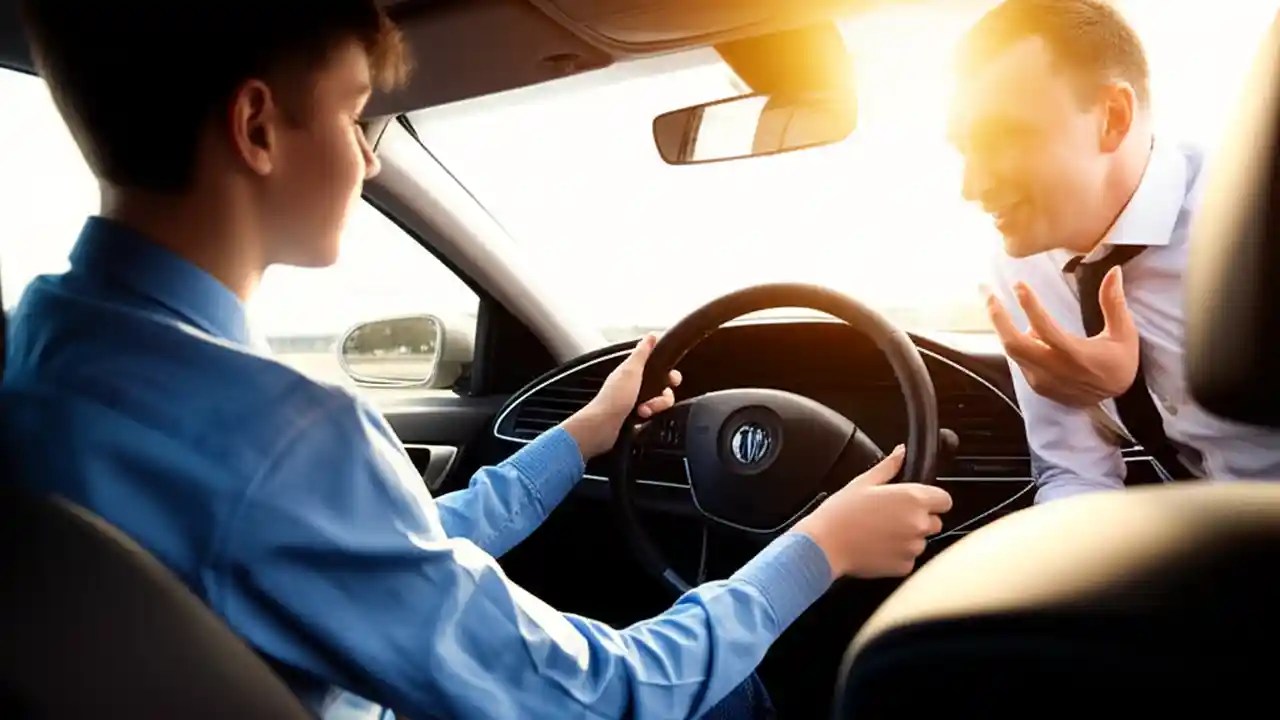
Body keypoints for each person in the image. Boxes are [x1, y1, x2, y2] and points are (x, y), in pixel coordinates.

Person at [0, 2, 953, 718]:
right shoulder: (279, 436)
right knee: (735, 697)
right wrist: (819, 551)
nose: (369, 159)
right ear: (257, 129)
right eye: (355, 115)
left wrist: (578, 437)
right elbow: (601, 697)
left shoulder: (44, 350)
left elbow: (384, 556)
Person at [948, 0, 1280, 503]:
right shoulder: (1020, 264)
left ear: (1113, 117)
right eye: (965, 148)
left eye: (1004, 138)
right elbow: (1074, 475)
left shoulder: (1257, 221)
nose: (972, 188)